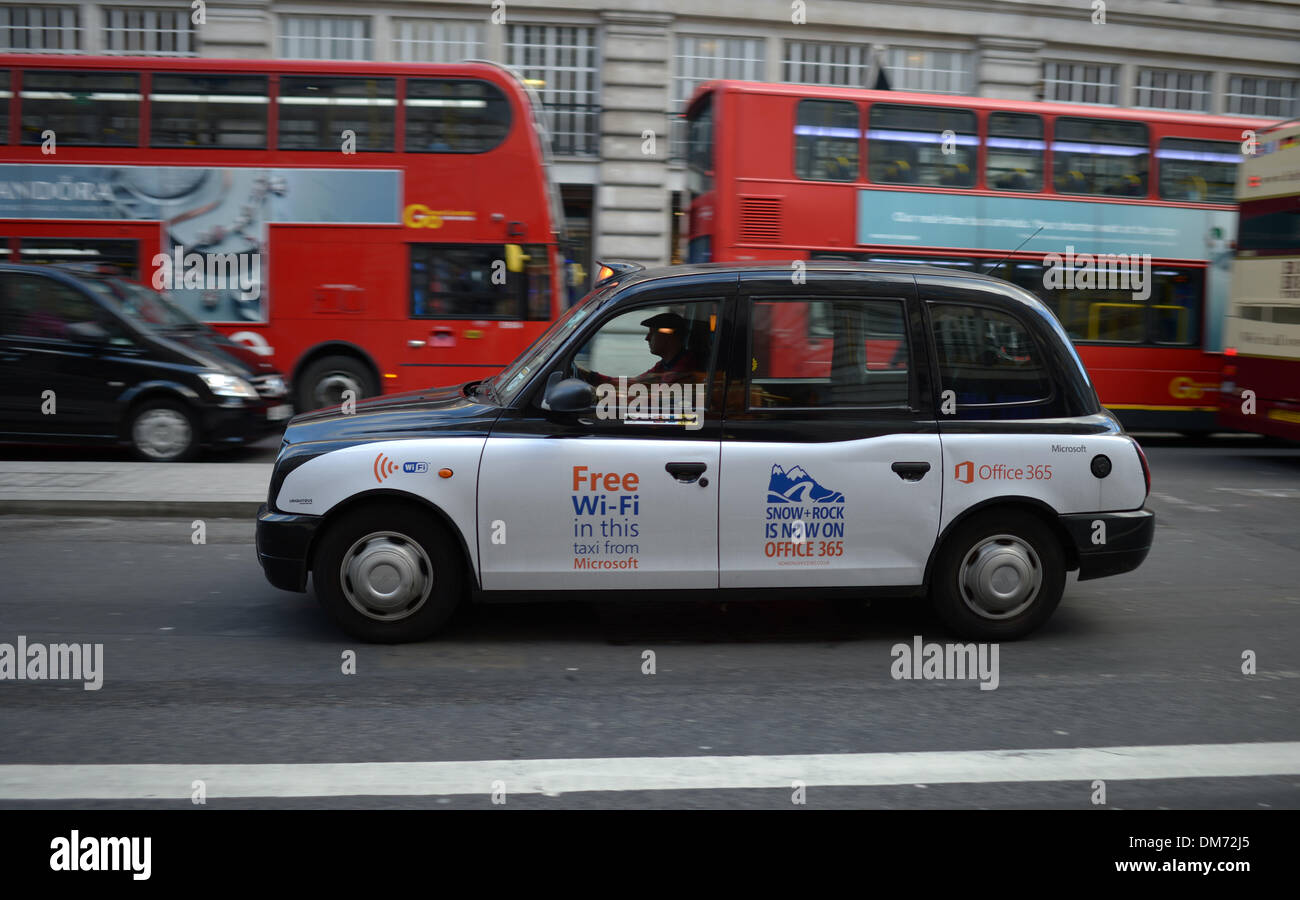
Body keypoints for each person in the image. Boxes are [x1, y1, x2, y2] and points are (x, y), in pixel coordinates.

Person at [576, 311, 701, 386]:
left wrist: (592, 378)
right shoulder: (664, 365)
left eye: (652, 333)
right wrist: (592, 376)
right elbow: (636, 382)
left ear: (667, 334)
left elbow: (637, 387)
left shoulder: (683, 369)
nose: (647, 338)